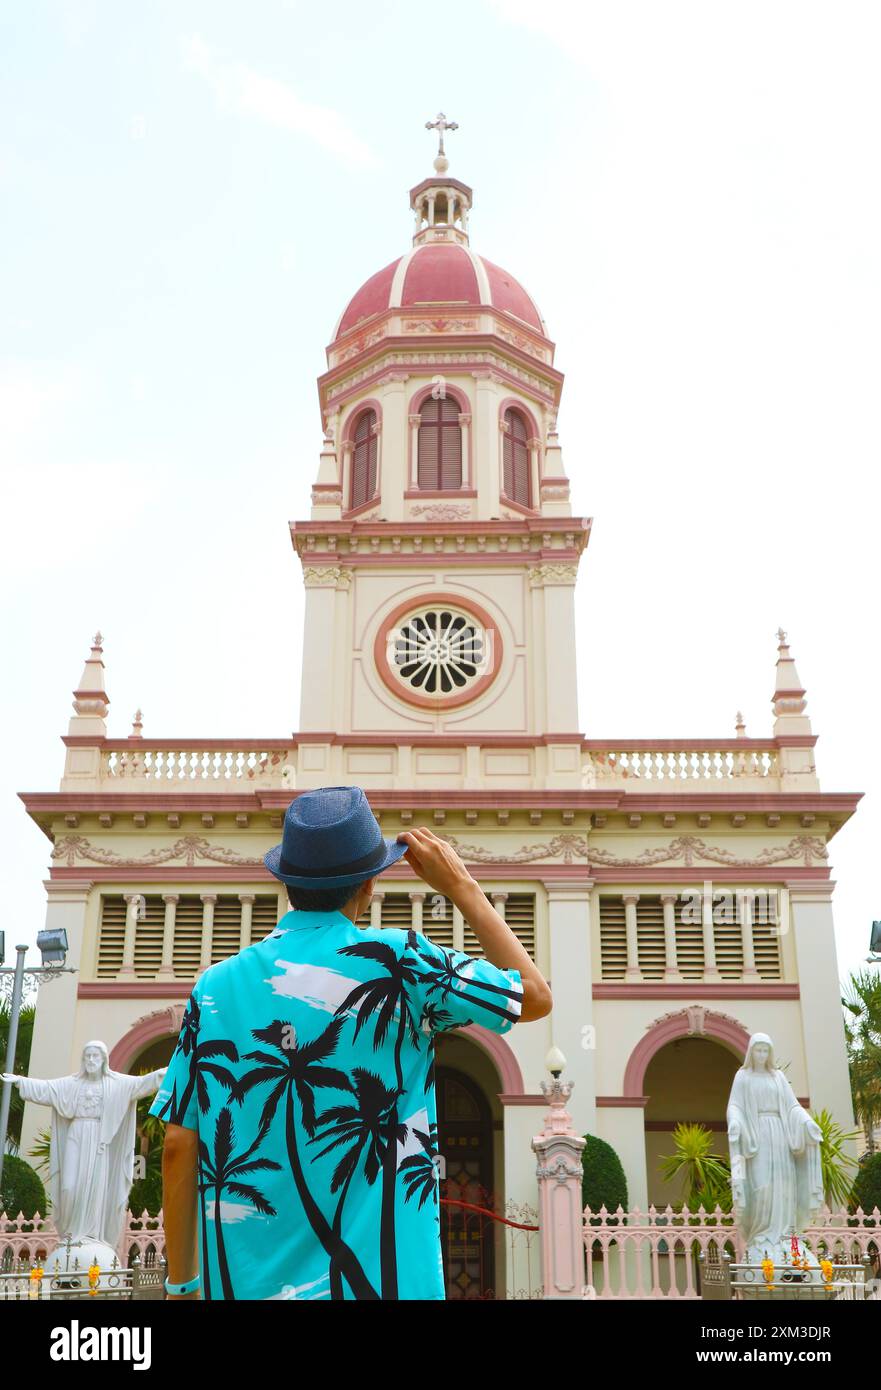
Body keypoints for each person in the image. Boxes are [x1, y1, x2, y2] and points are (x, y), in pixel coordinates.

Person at [150, 786, 552, 1300]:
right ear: (369, 885)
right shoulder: (400, 962)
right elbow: (534, 997)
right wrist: (463, 888)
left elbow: (179, 1146)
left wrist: (182, 1288)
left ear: (288, 882)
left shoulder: (214, 988)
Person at [726, 1031, 824, 1265]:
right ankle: (761, 1237)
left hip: (780, 1135)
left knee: (784, 1187)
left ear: (770, 1053)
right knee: (762, 1186)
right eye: (757, 1050)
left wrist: (808, 1122)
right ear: (751, 1052)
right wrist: (735, 1122)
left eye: (765, 1050)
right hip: (756, 1137)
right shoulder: (743, 1077)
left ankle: (787, 1239)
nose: (761, 1055)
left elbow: (792, 1106)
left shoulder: (777, 1076)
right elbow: (735, 1106)